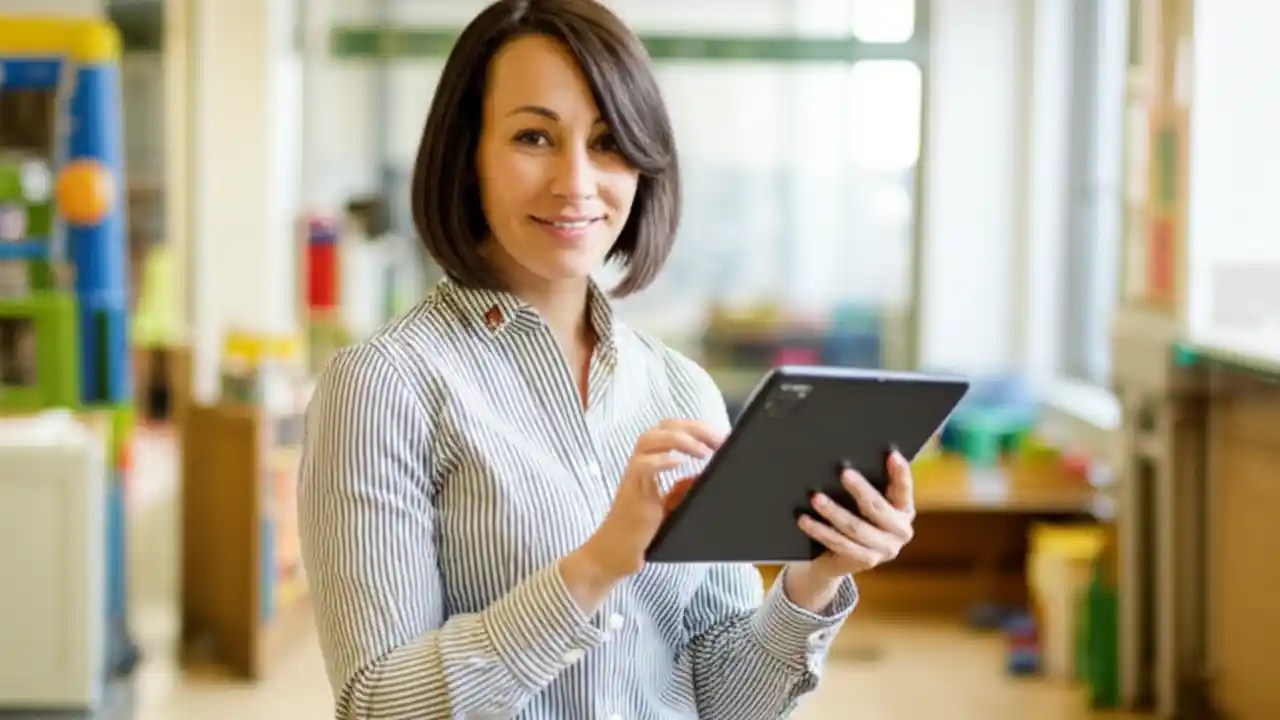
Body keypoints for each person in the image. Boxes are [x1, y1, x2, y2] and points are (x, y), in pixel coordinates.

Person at [297, 1, 919, 718]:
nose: (577, 182)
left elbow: (721, 702)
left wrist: (815, 579)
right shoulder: (383, 386)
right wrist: (591, 569)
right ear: (467, 157)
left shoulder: (681, 390)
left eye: (608, 142)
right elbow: (378, 705)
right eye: (534, 136)